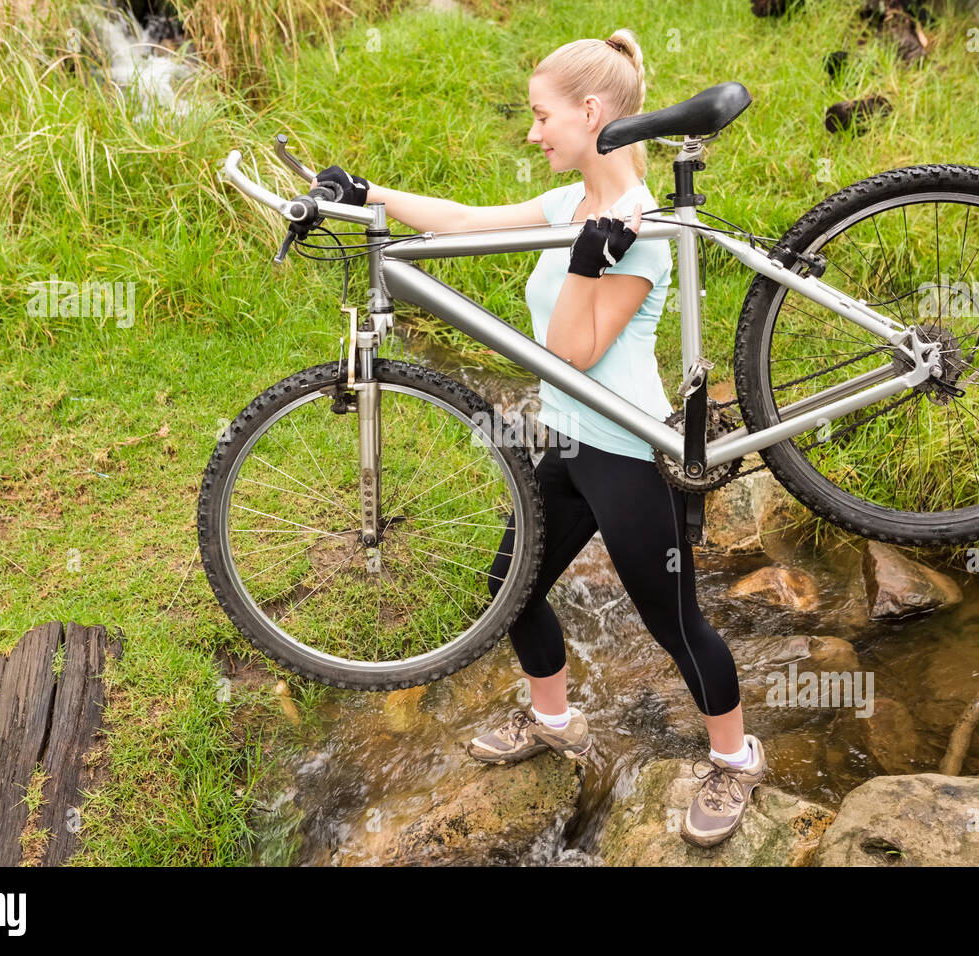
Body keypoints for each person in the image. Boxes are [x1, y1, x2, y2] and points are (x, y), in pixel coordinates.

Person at [311, 29, 765, 849]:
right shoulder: (570, 208)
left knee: (674, 623)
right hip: (566, 440)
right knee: (509, 587)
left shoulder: (646, 232)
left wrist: (592, 265)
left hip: (627, 452)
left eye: (540, 117)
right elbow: (458, 219)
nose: (533, 133)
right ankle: (555, 721)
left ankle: (735, 762)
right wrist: (369, 194)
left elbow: (575, 354)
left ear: (590, 113)